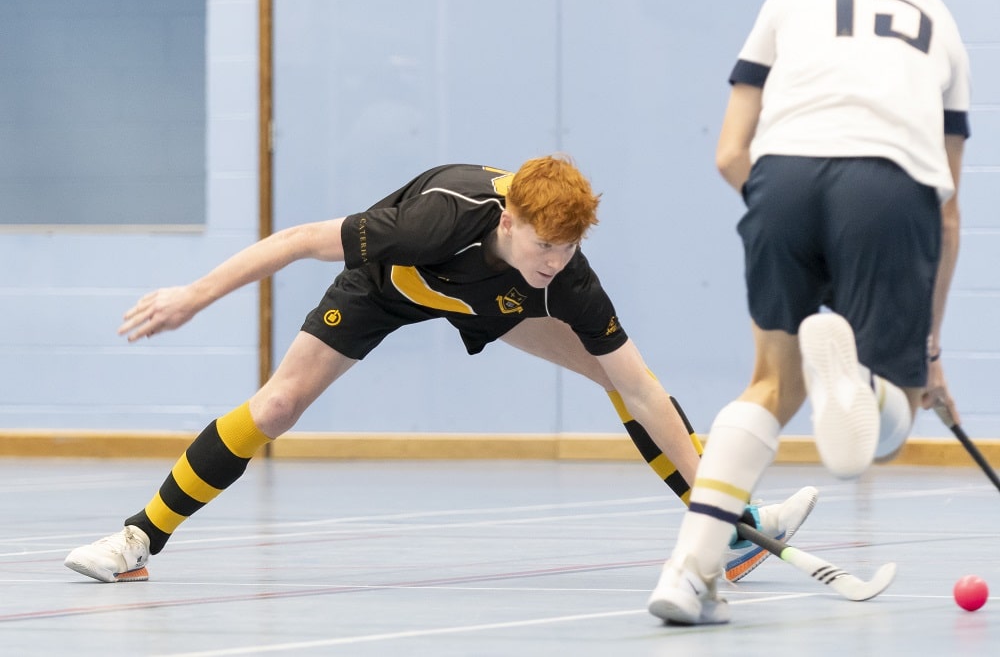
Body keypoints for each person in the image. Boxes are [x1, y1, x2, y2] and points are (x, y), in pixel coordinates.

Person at [65, 155, 815, 584]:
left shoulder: (564, 275)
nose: (556, 262)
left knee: (624, 380)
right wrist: (193, 295)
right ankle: (136, 539)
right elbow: (296, 238)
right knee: (277, 407)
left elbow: (648, 391)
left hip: (494, 301)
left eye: (568, 249)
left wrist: (708, 503)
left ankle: (732, 526)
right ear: (509, 221)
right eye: (544, 247)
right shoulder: (437, 216)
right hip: (389, 287)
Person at [647, 0, 970, 626]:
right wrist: (925, 352)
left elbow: (730, 152)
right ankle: (867, 389)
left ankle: (687, 572)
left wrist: (785, 220)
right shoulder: (938, 20)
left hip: (782, 177)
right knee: (892, 407)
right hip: (890, 185)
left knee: (770, 382)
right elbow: (947, 214)